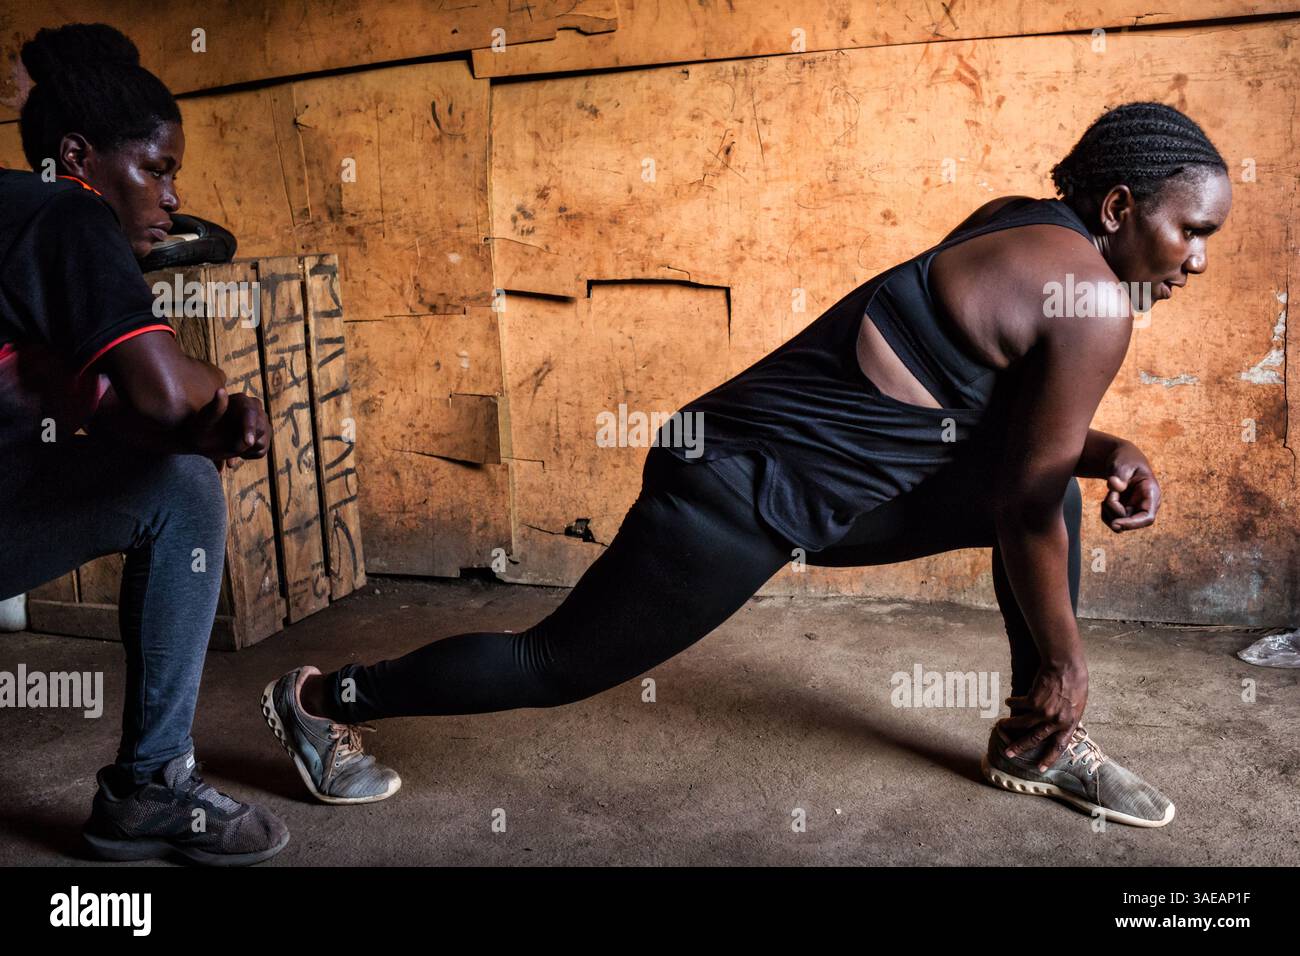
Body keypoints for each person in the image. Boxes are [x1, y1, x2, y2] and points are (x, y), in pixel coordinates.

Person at [265, 103, 1229, 828]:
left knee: (1054, 484)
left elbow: (1003, 437)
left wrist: (1110, 452)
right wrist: (1068, 662)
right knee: (554, 664)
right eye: (1192, 232)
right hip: (732, 497)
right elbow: (1019, 505)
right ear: (1118, 205)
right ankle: (320, 700)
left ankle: (1034, 742)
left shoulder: (1020, 223)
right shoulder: (1094, 304)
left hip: (797, 485)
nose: (1194, 262)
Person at [0, 23, 291, 865]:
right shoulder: (66, 213)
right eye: (156, 169)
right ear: (80, 155)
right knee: (185, 486)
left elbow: (134, 416)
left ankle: (152, 789)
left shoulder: (32, 229)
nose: (169, 198)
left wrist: (199, 425)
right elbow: (161, 390)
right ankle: (151, 783)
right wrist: (225, 391)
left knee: (177, 480)